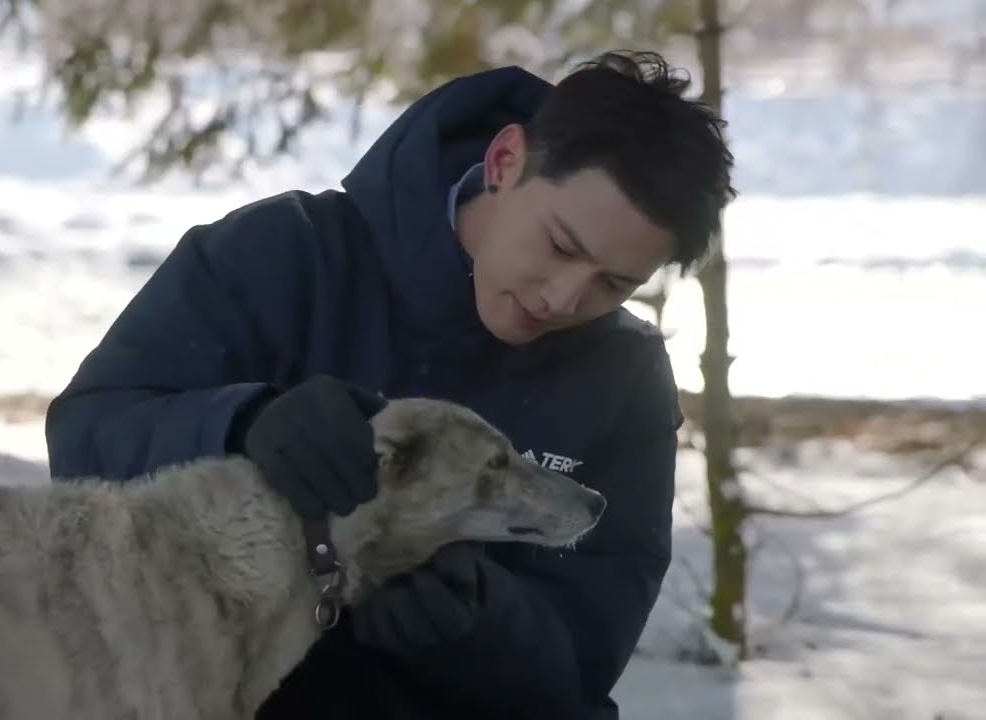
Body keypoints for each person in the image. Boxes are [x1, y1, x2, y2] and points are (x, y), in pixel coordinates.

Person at [44, 49, 735, 720]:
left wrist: (476, 622)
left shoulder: (623, 382)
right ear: (505, 162)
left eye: (614, 285)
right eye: (560, 245)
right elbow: (88, 440)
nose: (562, 299)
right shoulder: (286, 255)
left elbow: (583, 661)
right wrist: (239, 425)